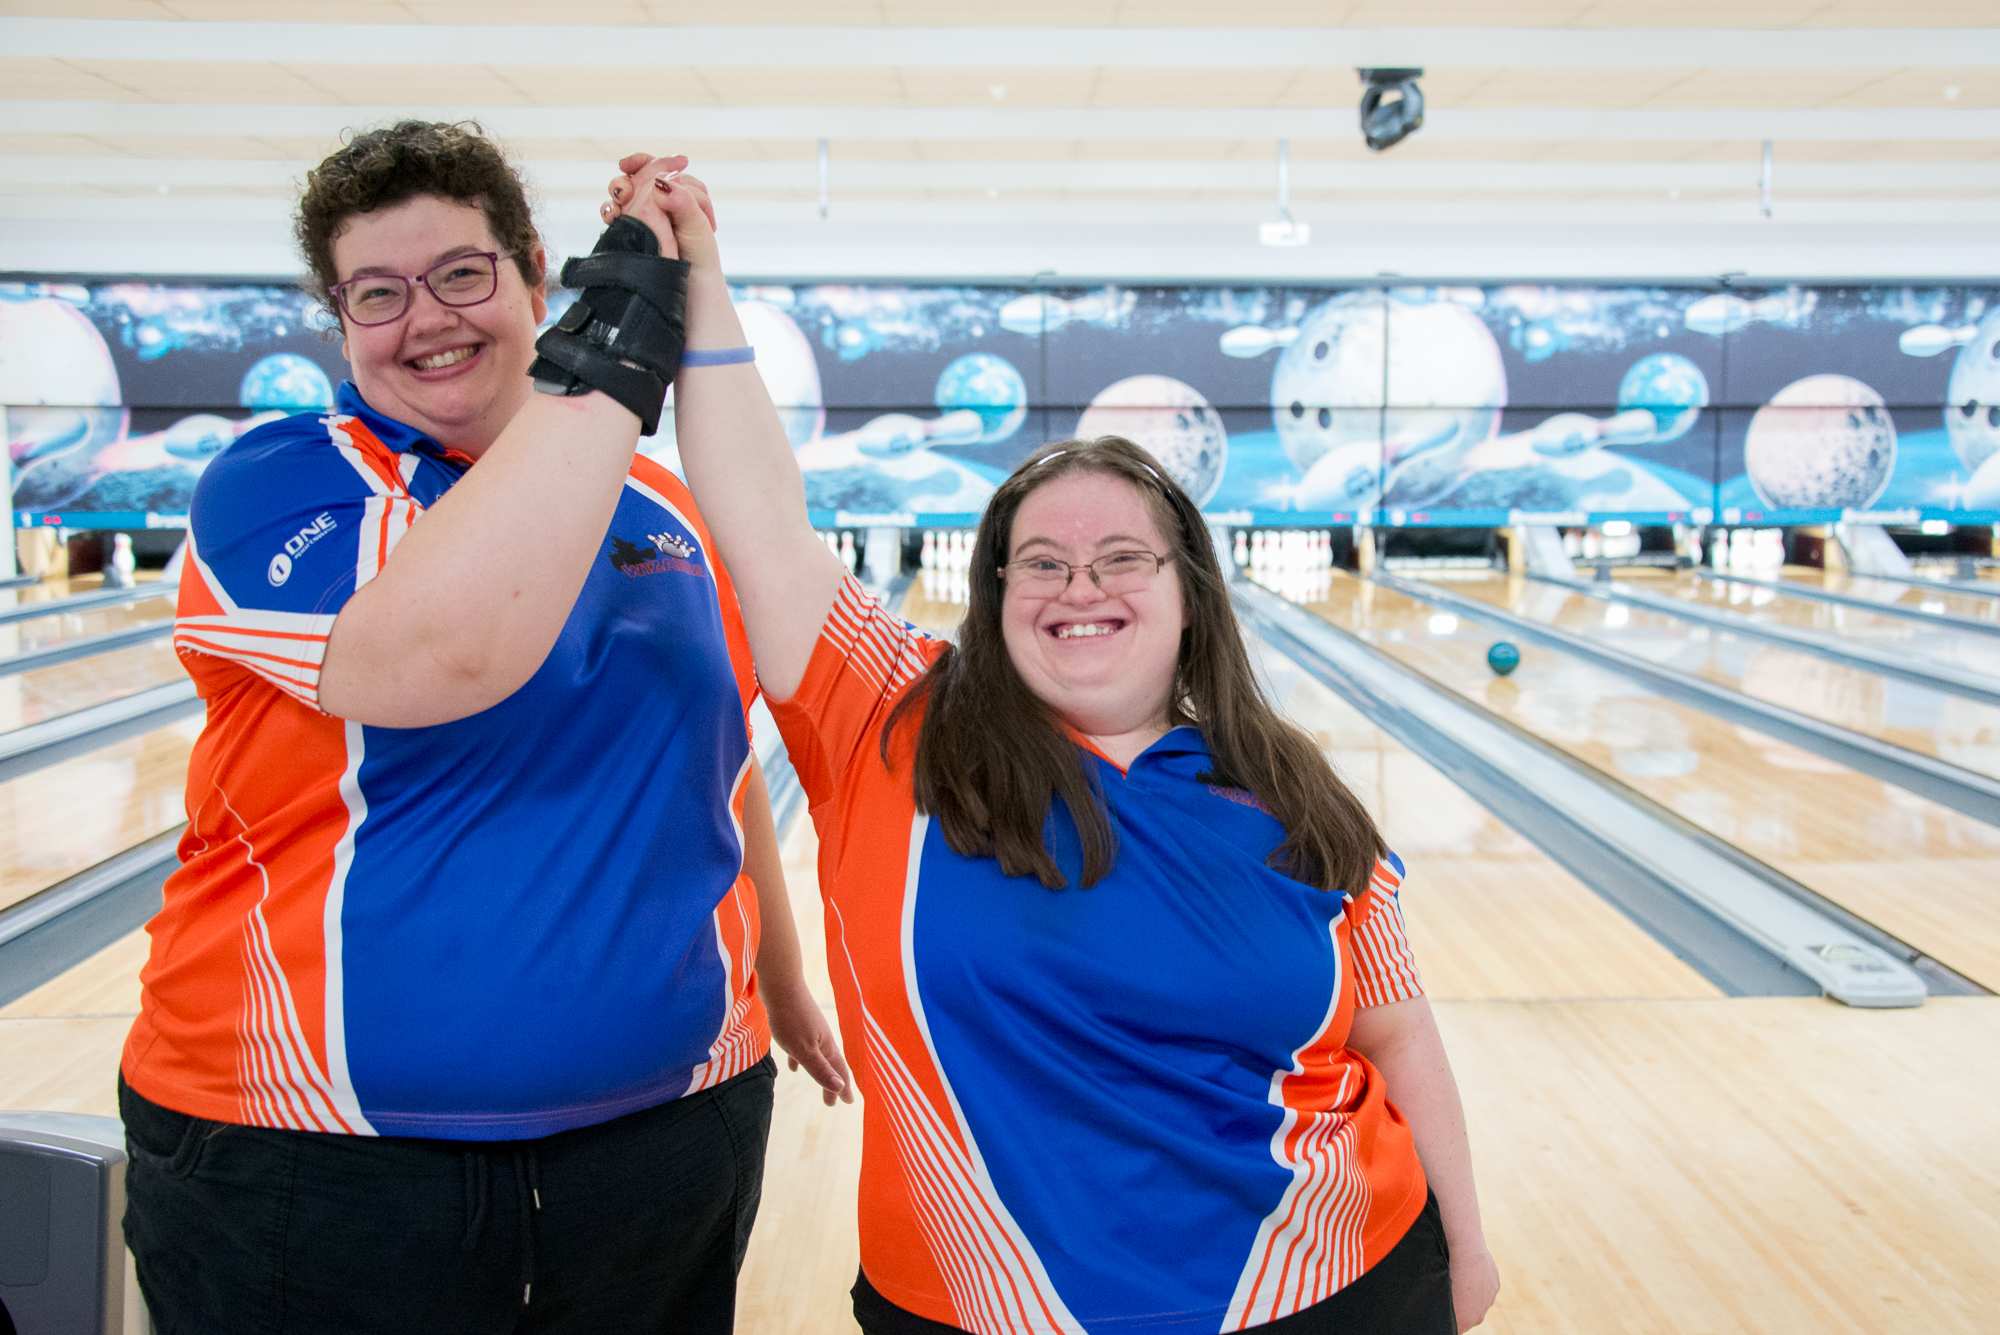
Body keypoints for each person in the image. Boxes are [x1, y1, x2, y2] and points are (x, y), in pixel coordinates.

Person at [608, 158, 1501, 1332]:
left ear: (1188, 593)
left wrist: (1463, 1251)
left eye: (1121, 558)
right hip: (980, 1307)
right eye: (1041, 562)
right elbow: (760, 519)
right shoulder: (891, 726)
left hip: (1331, 1286)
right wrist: (698, 280)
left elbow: (1393, 1030)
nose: (1079, 587)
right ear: (994, 593)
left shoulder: (1293, 794)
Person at [117, 121, 849, 1335]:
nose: (425, 319)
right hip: (309, 1162)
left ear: (533, 277)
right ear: (340, 322)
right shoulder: (283, 485)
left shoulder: (665, 506)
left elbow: (715, 763)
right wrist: (623, 332)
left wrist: (781, 976)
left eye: (461, 274)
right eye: (377, 293)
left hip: (666, 1143)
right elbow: (443, 657)